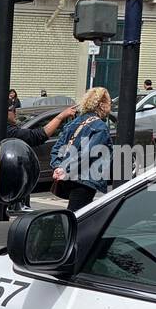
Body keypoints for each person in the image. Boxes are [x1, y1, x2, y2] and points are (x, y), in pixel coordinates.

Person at [49, 85, 114, 213]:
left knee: (76, 213)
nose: (110, 106)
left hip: (68, 177)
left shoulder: (74, 122)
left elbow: (57, 147)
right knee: (76, 216)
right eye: (109, 103)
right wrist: (64, 169)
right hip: (84, 179)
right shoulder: (100, 127)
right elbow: (88, 154)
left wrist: (58, 167)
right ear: (102, 105)